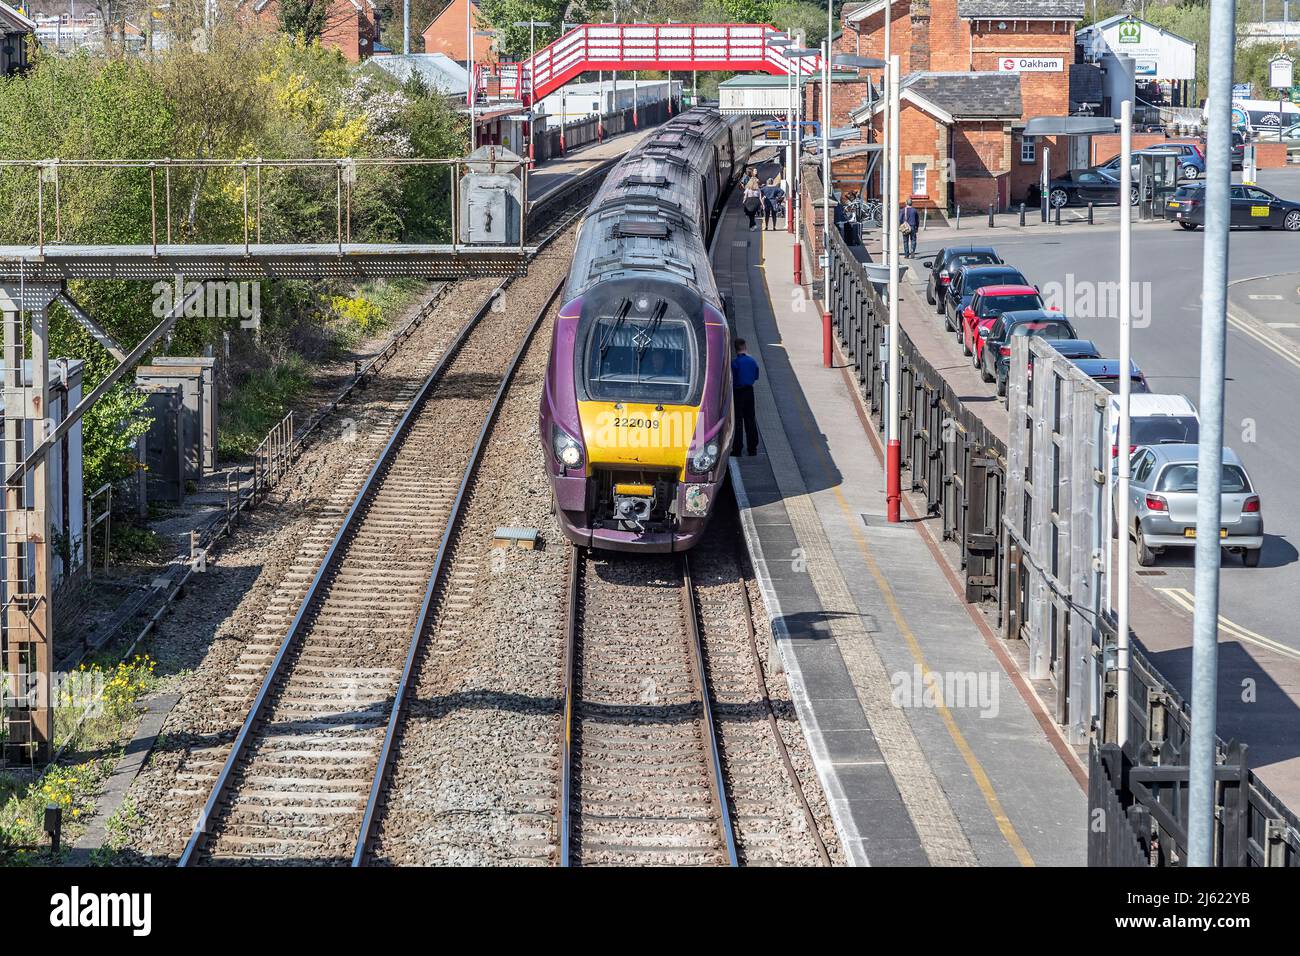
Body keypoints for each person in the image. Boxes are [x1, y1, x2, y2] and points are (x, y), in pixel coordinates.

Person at [731, 338, 760, 456]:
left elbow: (732, 378)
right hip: (749, 392)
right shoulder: (752, 361)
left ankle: (737, 449)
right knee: (750, 420)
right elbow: (756, 376)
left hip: (738, 392)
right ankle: (752, 449)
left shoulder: (735, 363)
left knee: (738, 421)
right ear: (745, 347)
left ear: (735, 349)